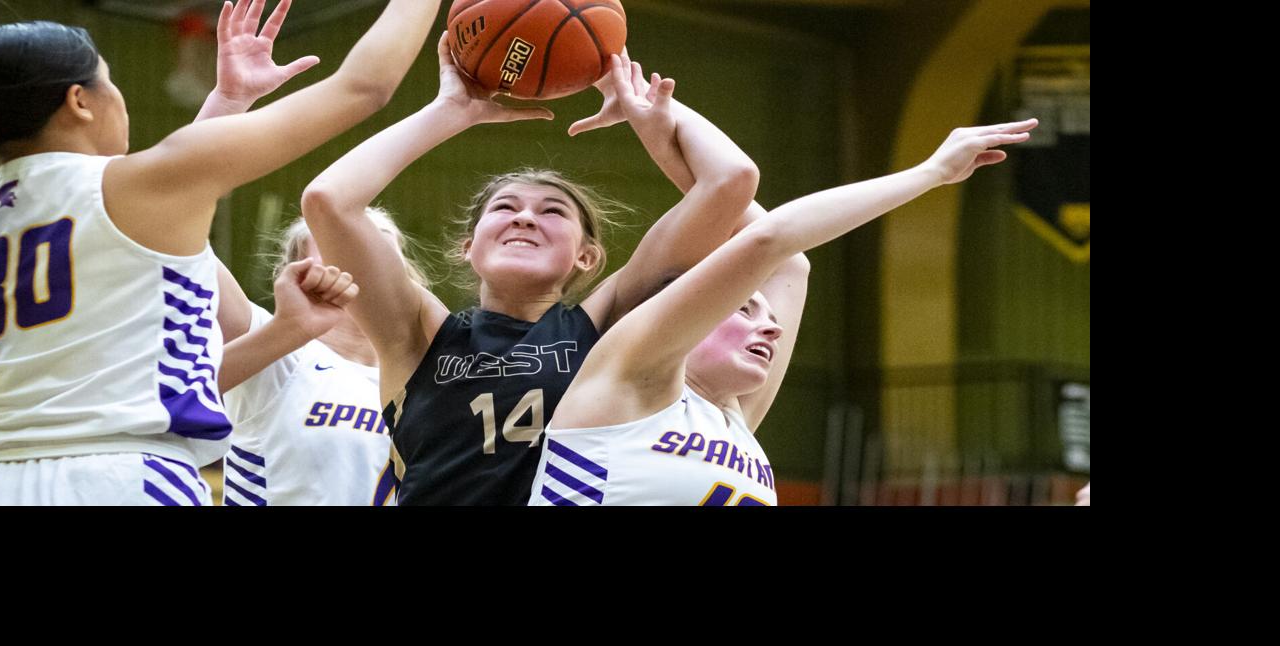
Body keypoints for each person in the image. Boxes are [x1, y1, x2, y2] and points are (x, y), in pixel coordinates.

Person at [0, 0, 441, 505]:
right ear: (79, 100)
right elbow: (363, 88)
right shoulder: (131, 185)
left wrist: (229, 101)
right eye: (111, 81)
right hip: (113, 478)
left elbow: (157, 219)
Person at [303, 44, 760, 505]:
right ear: (469, 247)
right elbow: (329, 201)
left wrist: (638, 101)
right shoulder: (418, 334)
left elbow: (730, 181)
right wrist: (447, 112)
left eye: (552, 211)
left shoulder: (605, 326)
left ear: (586, 257)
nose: (524, 218)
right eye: (504, 207)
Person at [529, 119, 1037, 506]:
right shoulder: (629, 378)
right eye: (744, 308)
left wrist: (660, 120)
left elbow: (790, 260)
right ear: (681, 313)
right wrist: (931, 173)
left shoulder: (733, 417)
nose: (771, 323)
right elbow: (772, 239)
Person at [215, 212, 432, 506]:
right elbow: (180, 241)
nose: (362, 247)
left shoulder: (434, 380)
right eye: (337, 240)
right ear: (297, 272)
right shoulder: (274, 352)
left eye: (378, 239)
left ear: (407, 272)